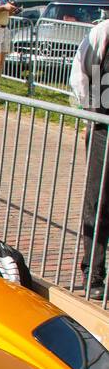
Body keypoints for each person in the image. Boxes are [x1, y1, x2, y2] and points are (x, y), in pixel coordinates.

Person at [71, 17, 109, 294]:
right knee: (98, 200)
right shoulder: (103, 31)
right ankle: (93, 273)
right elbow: (80, 74)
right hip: (104, 127)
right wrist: (89, 114)